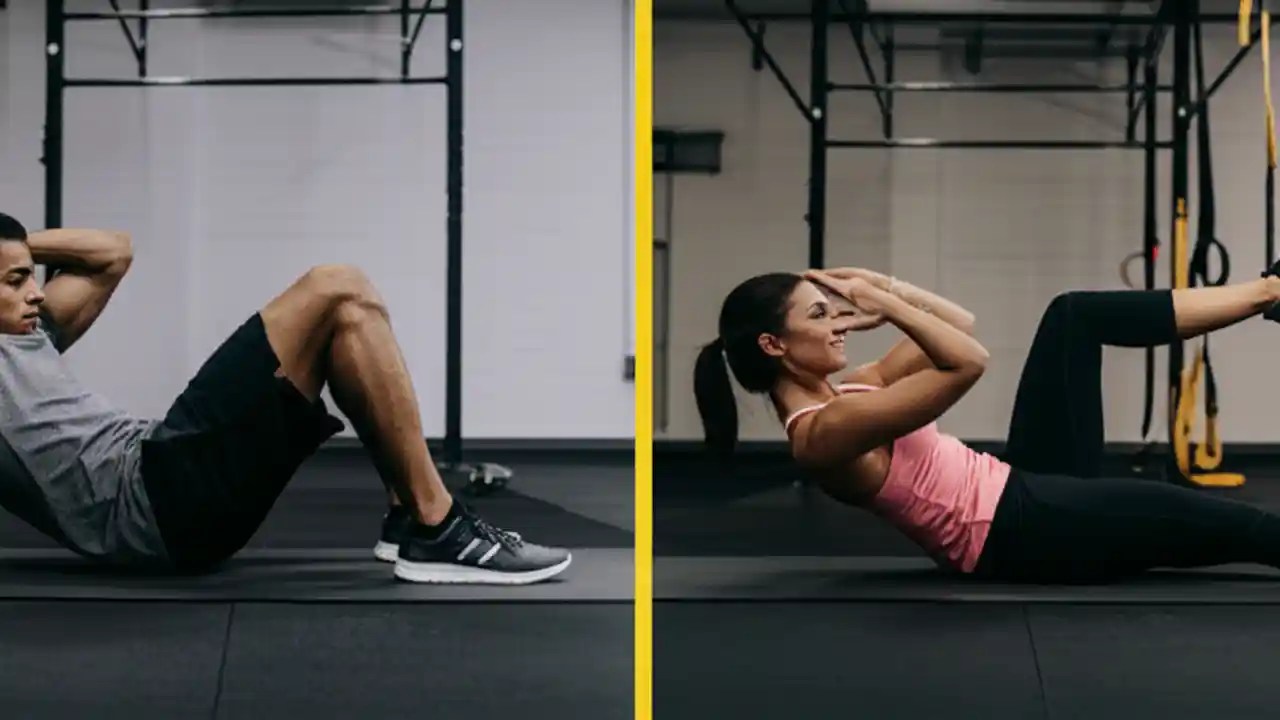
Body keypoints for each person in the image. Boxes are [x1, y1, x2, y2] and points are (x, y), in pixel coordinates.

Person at [0, 213, 571, 585]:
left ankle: (412, 517)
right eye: (15, 280)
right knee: (334, 283)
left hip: (171, 478)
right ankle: (440, 527)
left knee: (349, 314)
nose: (35, 291)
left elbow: (112, 251)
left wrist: (11, 248)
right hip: (153, 501)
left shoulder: (34, 332)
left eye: (31, 275)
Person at [694, 264, 1280, 584]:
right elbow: (967, 363)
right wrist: (893, 309)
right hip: (1019, 532)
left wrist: (886, 288)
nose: (841, 322)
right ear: (773, 343)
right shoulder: (826, 431)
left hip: (1020, 491)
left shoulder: (852, 391)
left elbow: (960, 325)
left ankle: (1270, 291)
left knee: (1073, 315)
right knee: (1239, 526)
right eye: (821, 316)